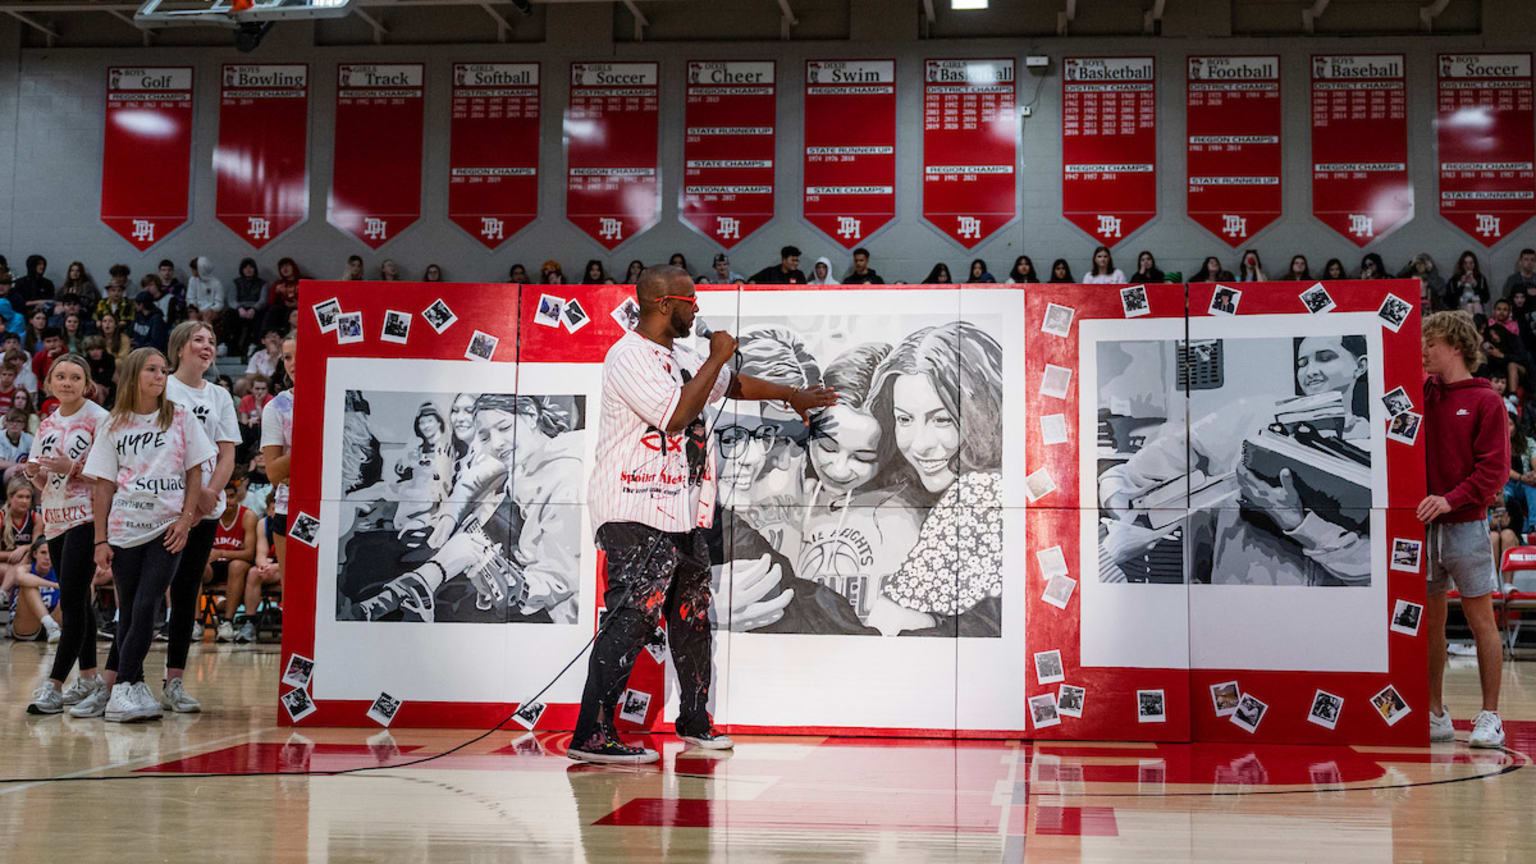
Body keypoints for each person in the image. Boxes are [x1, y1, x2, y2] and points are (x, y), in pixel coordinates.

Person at [569, 265, 835, 763]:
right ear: (664, 304)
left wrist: (790, 395)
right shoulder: (628, 356)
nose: (698, 310)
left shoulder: (685, 356)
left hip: (682, 512)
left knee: (692, 618)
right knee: (633, 617)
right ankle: (592, 733)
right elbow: (675, 416)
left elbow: (732, 385)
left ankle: (694, 721)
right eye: (691, 301)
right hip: (633, 509)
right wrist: (715, 358)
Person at [84, 347, 216, 723]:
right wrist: (100, 539)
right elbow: (103, 486)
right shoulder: (113, 424)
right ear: (133, 376)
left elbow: (195, 471)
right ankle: (134, 685)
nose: (161, 376)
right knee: (129, 610)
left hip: (166, 528)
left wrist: (186, 520)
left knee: (147, 603)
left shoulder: (181, 416)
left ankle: (122, 686)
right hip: (124, 529)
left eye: (163, 370)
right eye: (152, 370)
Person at [1420, 310, 1508, 748]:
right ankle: (1435, 713)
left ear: (1455, 346)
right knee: (1428, 627)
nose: (1423, 350)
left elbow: (1494, 472)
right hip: (1422, 528)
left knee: (1481, 622)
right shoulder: (1422, 392)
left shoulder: (1486, 400)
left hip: (1467, 526)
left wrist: (1450, 499)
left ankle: (1491, 716)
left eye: (1431, 343)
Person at [158, 321, 240, 711]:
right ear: (179, 348)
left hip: (204, 510)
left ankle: (174, 682)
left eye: (212, 341)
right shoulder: (162, 387)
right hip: (164, 506)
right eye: (199, 340)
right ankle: (122, 679)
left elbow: (227, 452)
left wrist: (209, 494)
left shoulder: (220, 395)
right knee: (146, 592)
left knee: (187, 591)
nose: (207, 346)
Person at [22, 354, 109, 715]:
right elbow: (46, 481)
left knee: (71, 602)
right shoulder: (47, 423)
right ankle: (88, 677)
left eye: (75, 377)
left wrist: (71, 466)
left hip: (87, 517)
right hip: (55, 518)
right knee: (78, 601)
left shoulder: (100, 419)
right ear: (50, 383)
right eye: (60, 376)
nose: (67, 383)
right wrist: (34, 475)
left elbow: (108, 475)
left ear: (87, 384)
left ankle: (54, 685)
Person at [260, 336, 297, 588]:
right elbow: (273, 473)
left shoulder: (343, 398)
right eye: (287, 357)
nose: (293, 363)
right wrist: (316, 446)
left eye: (300, 356)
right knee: (293, 591)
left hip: (336, 507)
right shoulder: (277, 407)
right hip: (289, 509)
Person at [211, 476, 262, 643]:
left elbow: (249, 554)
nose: (228, 502)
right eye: (223, 498)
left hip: (238, 568)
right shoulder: (209, 515)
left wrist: (220, 553)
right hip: (213, 568)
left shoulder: (248, 516)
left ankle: (227, 621)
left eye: (231, 497)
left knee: (237, 566)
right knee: (196, 566)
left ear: (237, 497)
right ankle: (195, 623)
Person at [6, 540, 58, 645]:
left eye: (51, 553)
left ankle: (56, 629)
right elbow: (20, 577)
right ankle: (50, 625)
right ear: (34, 554)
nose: (47, 557)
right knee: (28, 584)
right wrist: (55, 585)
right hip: (26, 624)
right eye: (43, 553)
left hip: (55, 620)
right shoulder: (24, 569)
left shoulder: (59, 571)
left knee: (80, 586)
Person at [229, 258, 265, 358]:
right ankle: (228, 346)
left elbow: (263, 300)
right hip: (239, 308)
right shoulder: (235, 282)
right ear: (242, 270)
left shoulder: (262, 283)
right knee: (229, 314)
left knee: (261, 315)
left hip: (255, 308)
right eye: (245, 268)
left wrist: (254, 309)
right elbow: (231, 300)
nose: (248, 270)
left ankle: (253, 344)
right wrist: (239, 308)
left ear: (255, 269)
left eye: (251, 267)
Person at [186, 256, 226, 332]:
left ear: (201, 269)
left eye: (194, 270)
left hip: (211, 310)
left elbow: (219, 303)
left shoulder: (216, 283)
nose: (192, 271)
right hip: (196, 309)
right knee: (192, 317)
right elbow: (190, 298)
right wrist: (194, 308)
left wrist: (211, 309)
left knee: (206, 317)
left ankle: (207, 337)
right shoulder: (192, 280)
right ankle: (193, 338)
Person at [129, 288, 169, 352]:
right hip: (136, 349)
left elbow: (156, 343)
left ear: (141, 305)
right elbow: (130, 333)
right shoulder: (138, 315)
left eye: (136, 303)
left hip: (148, 352)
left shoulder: (157, 320)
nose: (134, 306)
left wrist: (136, 348)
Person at [0, 407, 32, 484]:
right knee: (14, 471)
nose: (14, 424)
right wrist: (20, 466)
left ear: (24, 425)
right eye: (11, 421)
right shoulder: (0, 436)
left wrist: (23, 467)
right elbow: (1, 463)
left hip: (23, 470)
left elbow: (34, 459)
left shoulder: (29, 438)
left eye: (18, 421)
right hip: (3, 472)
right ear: (6, 423)